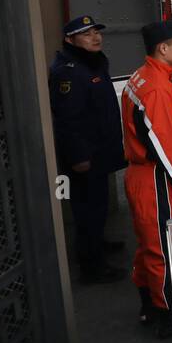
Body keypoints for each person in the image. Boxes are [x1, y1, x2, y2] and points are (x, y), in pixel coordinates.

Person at [122, 21, 172, 336]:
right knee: (164, 251)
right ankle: (169, 316)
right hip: (157, 179)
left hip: (144, 176)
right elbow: (166, 145)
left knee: (148, 245)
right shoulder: (156, 87)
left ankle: (149, 306)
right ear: (162, 48)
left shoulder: (143, 77)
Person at [49, 15, 127, 283]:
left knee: (99, 205)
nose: (95, 38)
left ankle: (97, 244)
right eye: (86, 34)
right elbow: (67, 120)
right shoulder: (68, 72)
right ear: (69, 40)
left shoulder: (91, 63)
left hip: (99, 151)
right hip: (86, 156)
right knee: (88, 210)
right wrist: (78, 156)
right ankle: (92, 266)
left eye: (96, 32)